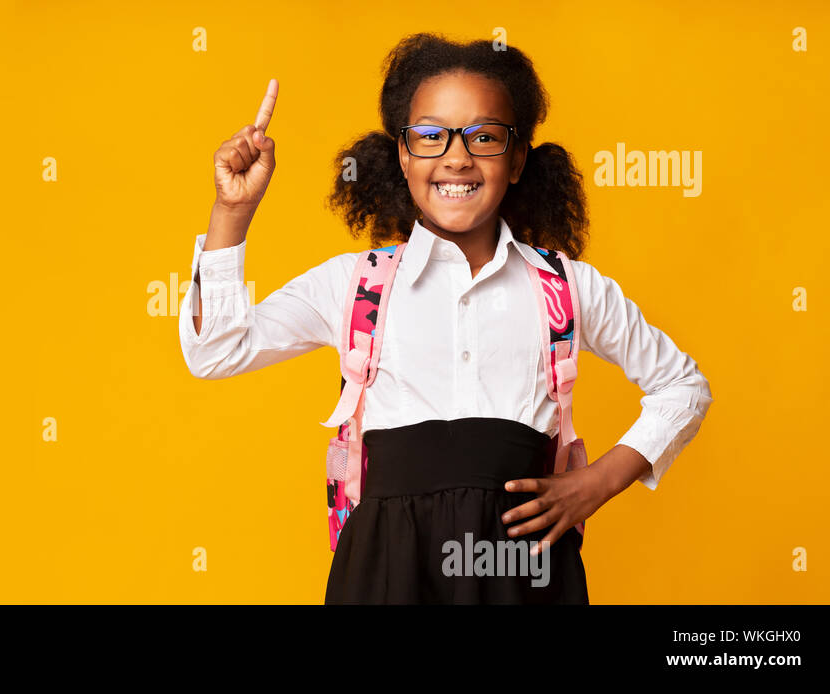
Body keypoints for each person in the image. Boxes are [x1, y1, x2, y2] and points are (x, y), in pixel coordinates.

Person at [178, 33, 712, 604]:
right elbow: (216, 350)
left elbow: (683, 385)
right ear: (403, 155)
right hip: (385, 570)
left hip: (523, 568)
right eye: (431, 136)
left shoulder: (568, 287)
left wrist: (597, 483)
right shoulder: (353, 284)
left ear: (517, 158)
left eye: (484, 137)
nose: (457, 157)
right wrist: (232, 213)